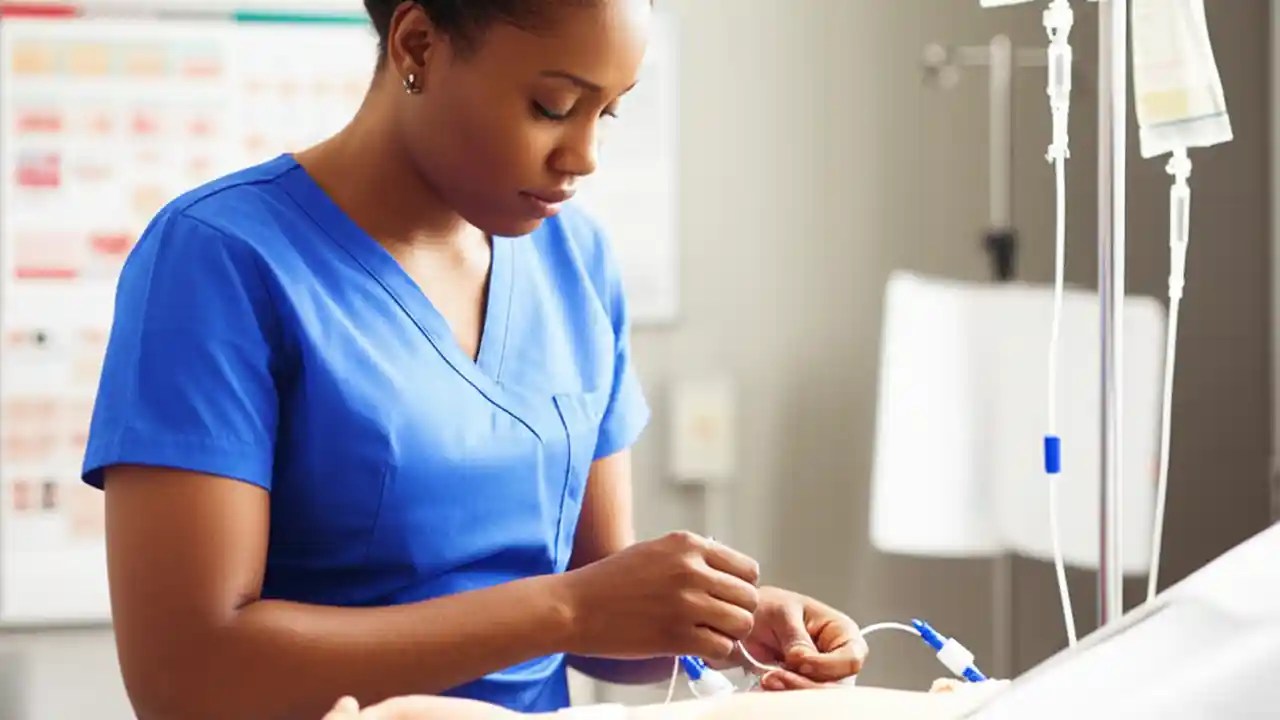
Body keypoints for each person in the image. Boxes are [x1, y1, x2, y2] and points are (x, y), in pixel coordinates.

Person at [81, 1, 868, 718]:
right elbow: (185, 677)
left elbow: (598, 607)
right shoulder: (220, 259)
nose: (585, 155)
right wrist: (573, 609)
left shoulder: (577, 260)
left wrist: (726, 622)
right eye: (553, 106)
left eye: (610, 111)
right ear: (418, 43)